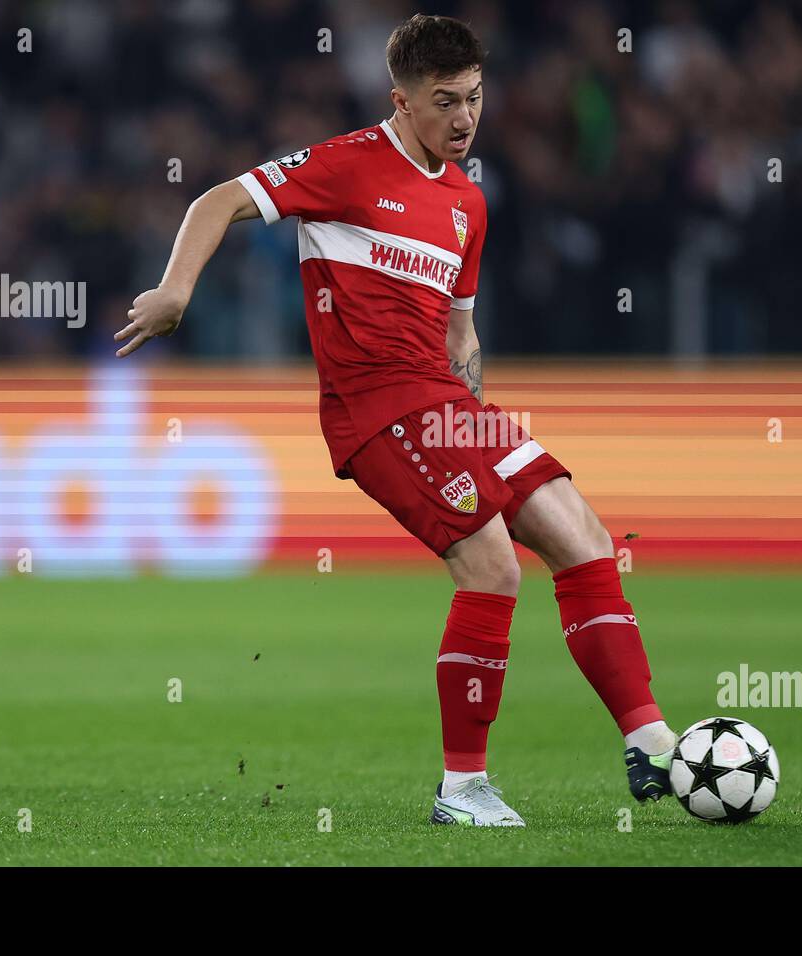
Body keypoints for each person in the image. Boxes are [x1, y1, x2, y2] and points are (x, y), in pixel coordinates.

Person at [116, 14, 678, 826]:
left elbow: (461, 333)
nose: (464, 118)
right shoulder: (346, 165)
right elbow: (218, 200)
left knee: (583, 535)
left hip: (450, 409)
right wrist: (175, 292)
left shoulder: (467, 203)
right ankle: (464, 789)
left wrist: (482, 427)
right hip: (375, 411)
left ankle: (650, 740)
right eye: (445, 101)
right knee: (493, 568)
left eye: (475, 98)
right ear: (402, 100)